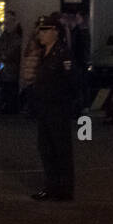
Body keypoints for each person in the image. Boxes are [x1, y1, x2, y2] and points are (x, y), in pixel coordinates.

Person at [31, 15, 76, 201]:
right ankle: (52, 186)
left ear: (55, 32)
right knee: (46, 148)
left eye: (45, 30)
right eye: (40, 30)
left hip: (58, 109)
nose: (40, 34)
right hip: (44, 108)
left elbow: (70, 83)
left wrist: (66, 106)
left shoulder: (63, 54)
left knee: (61, 149)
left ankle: (64, 189)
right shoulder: (44, 53)